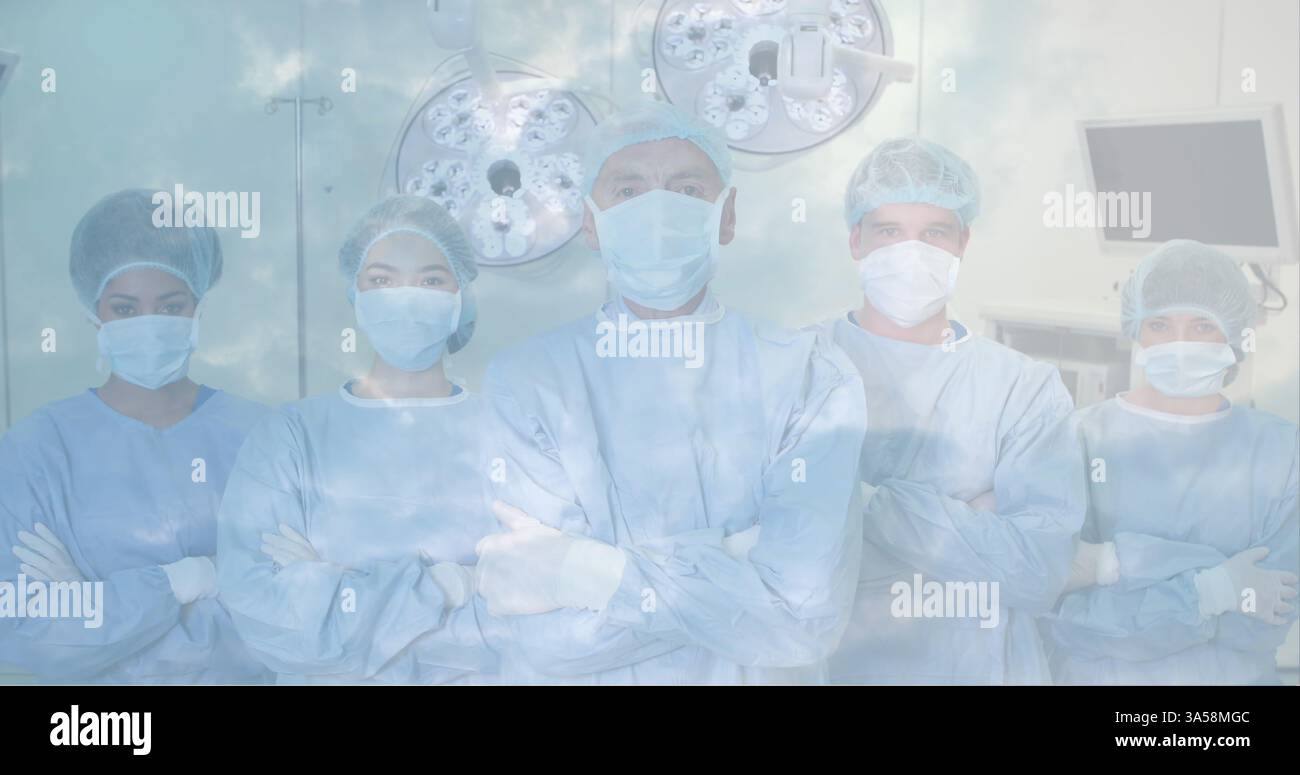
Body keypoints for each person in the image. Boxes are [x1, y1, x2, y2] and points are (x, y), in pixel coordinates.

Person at [473, 100, 867, 684]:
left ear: (726, 214)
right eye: (629, 191)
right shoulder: (529, 383)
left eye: (686, 189)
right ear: (589, 220)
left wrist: (588, 571)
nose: (658, 211)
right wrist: (733, 563)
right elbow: (538, 641)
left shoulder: (811, 374)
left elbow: (803, 616)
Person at [820, 138, 1087, 684]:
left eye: (934, 233)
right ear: (855, 239)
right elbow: (775, 552)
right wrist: (972, 514)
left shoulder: (1022, 387)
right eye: (889, 232)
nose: (910, 252)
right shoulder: (798, 368)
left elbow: (1037, 571)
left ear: (962, 242)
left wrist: (860, 502)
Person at [215, 195, 501, 684]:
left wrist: (335, 589)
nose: (406, 296)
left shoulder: (507, 431)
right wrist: (445, 588)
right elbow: (266, 615)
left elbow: (534, 608)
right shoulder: (290, 437)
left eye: (431, 280)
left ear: (461, 295)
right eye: (382, 280)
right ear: (355, 294)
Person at [0, 189, 270, 683]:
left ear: (198, 307)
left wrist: (97, 615)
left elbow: (290, 623)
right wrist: (187, 581)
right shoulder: (35, 454)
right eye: (125, 309)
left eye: (170, 307)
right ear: (93, 312)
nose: (148, 324)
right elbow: (25, 633)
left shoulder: (264, 440)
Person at [1044, 240, 1299, 684]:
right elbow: (1065, 620)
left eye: (1202, 326)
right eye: (1160, 324)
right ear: (1136, 331)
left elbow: (1264, 619)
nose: (1179, 344)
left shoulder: (1281, 451)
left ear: (1235, 333)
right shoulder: (1077, 439)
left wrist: (1112, 567)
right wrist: (1215, 588)